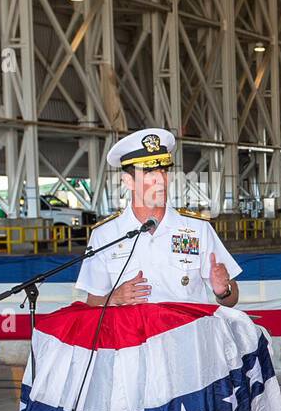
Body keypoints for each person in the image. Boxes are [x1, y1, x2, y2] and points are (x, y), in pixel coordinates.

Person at [76, 127, 241, 307]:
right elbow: (92, 303)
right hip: (132, 333)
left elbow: (232, 298)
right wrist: (114, 298)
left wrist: (224, 292)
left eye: (164, 171)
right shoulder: (105, 234)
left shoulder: (197, 229)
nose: (161, 180)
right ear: (128, 181)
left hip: (186, 333)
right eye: (150, 173)